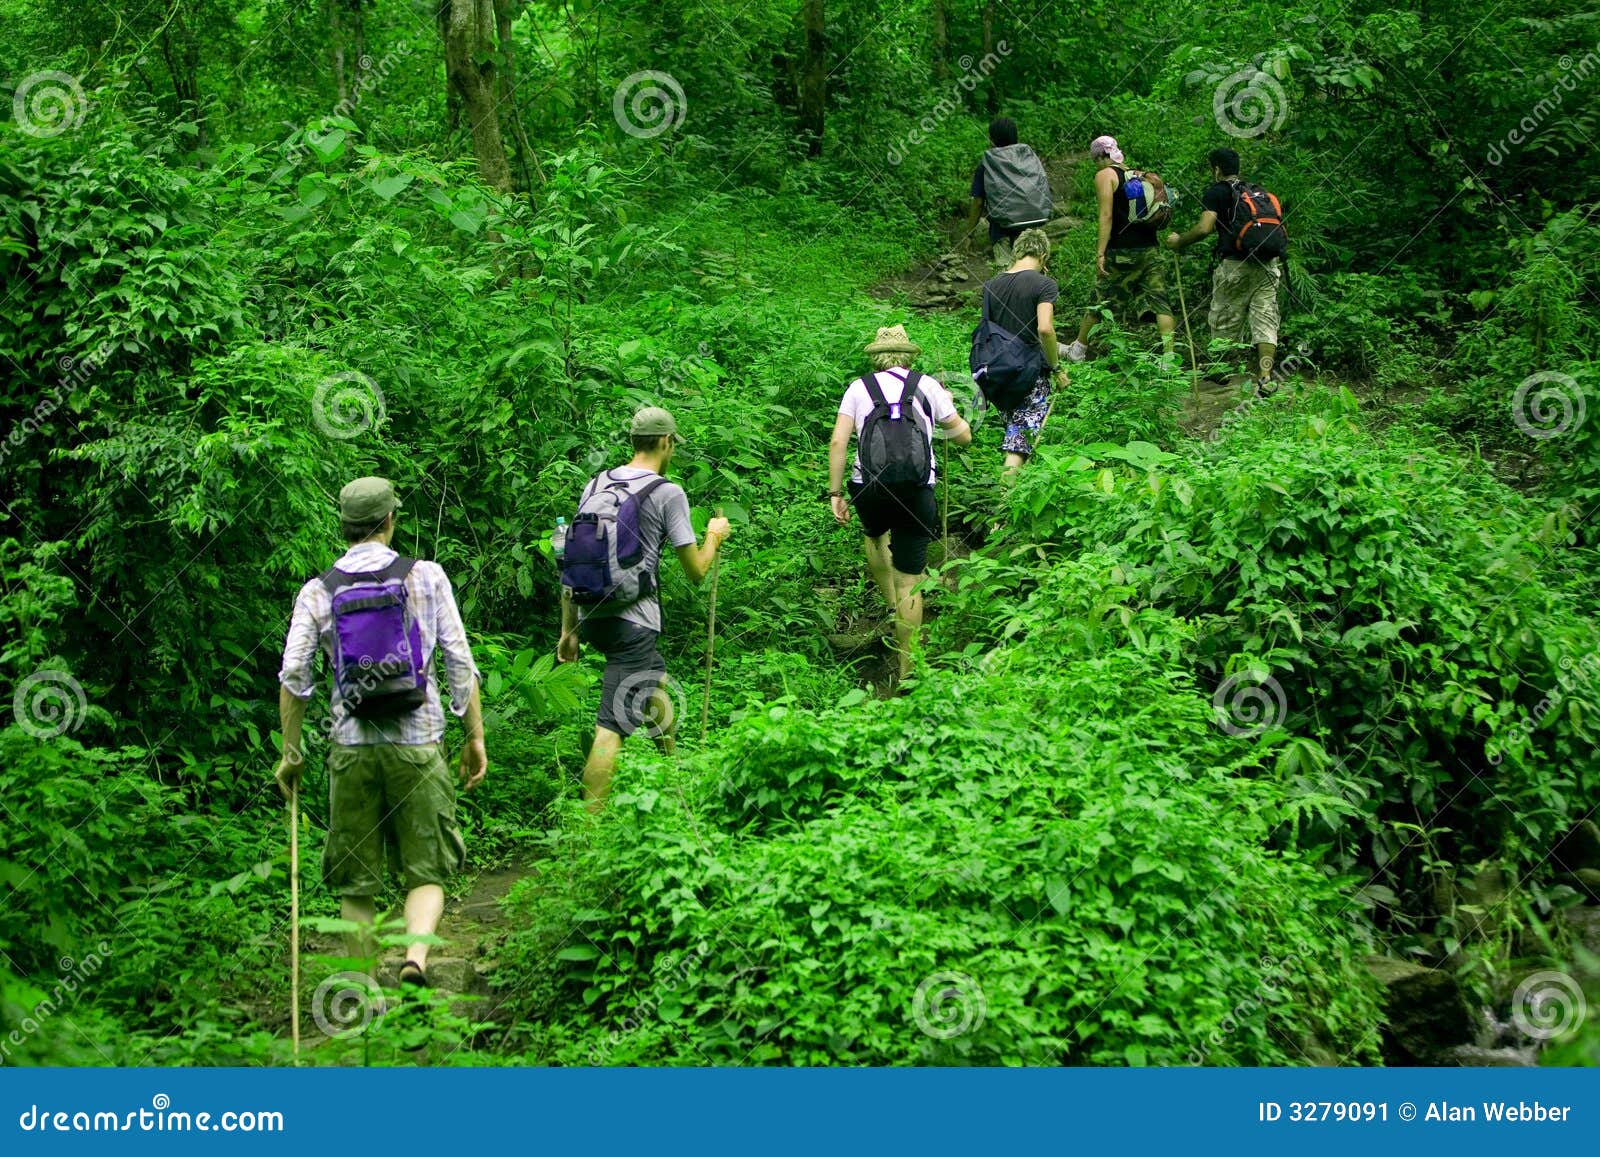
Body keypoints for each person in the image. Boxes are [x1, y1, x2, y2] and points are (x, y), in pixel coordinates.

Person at [275, 476, 487, 990]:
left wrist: (291, 751)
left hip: (350, 748)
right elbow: (459, 660)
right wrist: (474, 735)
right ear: (390, 520)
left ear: (344, 526)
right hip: (418, 742)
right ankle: (416, 957)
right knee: (428, 867)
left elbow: (294, 677)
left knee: (355, 879)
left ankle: (365, 988)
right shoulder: (427, 576)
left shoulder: (318, 591)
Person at [557, 407, 730, 813]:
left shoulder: (595, 484)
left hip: (592, 615)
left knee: (656, 682)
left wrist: (569, 630)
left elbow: (572, 559)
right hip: (633, 621)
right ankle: (587, 834)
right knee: (611, 729)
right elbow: (696, 572)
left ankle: (674, 775)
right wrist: (713, 536)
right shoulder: (667, 492)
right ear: (667, 442)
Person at [828, 325, 972, 682]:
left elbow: (838, 442)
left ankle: (891, 605)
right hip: (916, 489)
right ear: (909, 355)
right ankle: (909, 669)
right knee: (911, 579)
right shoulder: (927, 385)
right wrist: (947, 405)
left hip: (869, 488)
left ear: (875, 357)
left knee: (875, 533)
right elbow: (964, 436)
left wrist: (835, 493)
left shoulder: (858, 388)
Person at [1165, 146, 1285, 390]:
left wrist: (1179, 242)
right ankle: (1265, 377)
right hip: (1268, 263)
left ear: (1217, 169)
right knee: (1265, 318)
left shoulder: (1217, 192)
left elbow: (1204, 228)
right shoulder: (1255, 191)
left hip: (1235, 265)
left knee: (1224, 317)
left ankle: (1220, 369)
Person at [1064, 135, 1176, 362]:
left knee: (1100, 298)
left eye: (1095, 160)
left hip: (1121, 252)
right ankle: (1169, 358)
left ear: (1100, 156)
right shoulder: (1137, 174)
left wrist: (1100, 253)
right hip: (1150, 249)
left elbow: (1106, 215)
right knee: (1160, 302)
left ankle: (1078, 350)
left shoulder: (1105, 175)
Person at [979, 228, 1070, 475]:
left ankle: (1014, 493)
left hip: (998, 373)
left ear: (1017, 251)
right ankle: (1007, 497)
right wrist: (1057, 367)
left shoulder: (990, 285)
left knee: (1014, 431)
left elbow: (987, 333)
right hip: (1029, 373)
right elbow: (1045, 328)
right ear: (1042, 255)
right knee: (1018, 443)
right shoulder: (1043, 284)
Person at [966, 117, 1052, 266]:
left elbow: (978, 202)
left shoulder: (986, 164)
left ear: (992, 138)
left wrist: (969, 234)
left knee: (1006, 274)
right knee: (1029, 271)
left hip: (1001, 230)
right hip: (1030, 227)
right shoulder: (1029, 158)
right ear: (1015, 136)